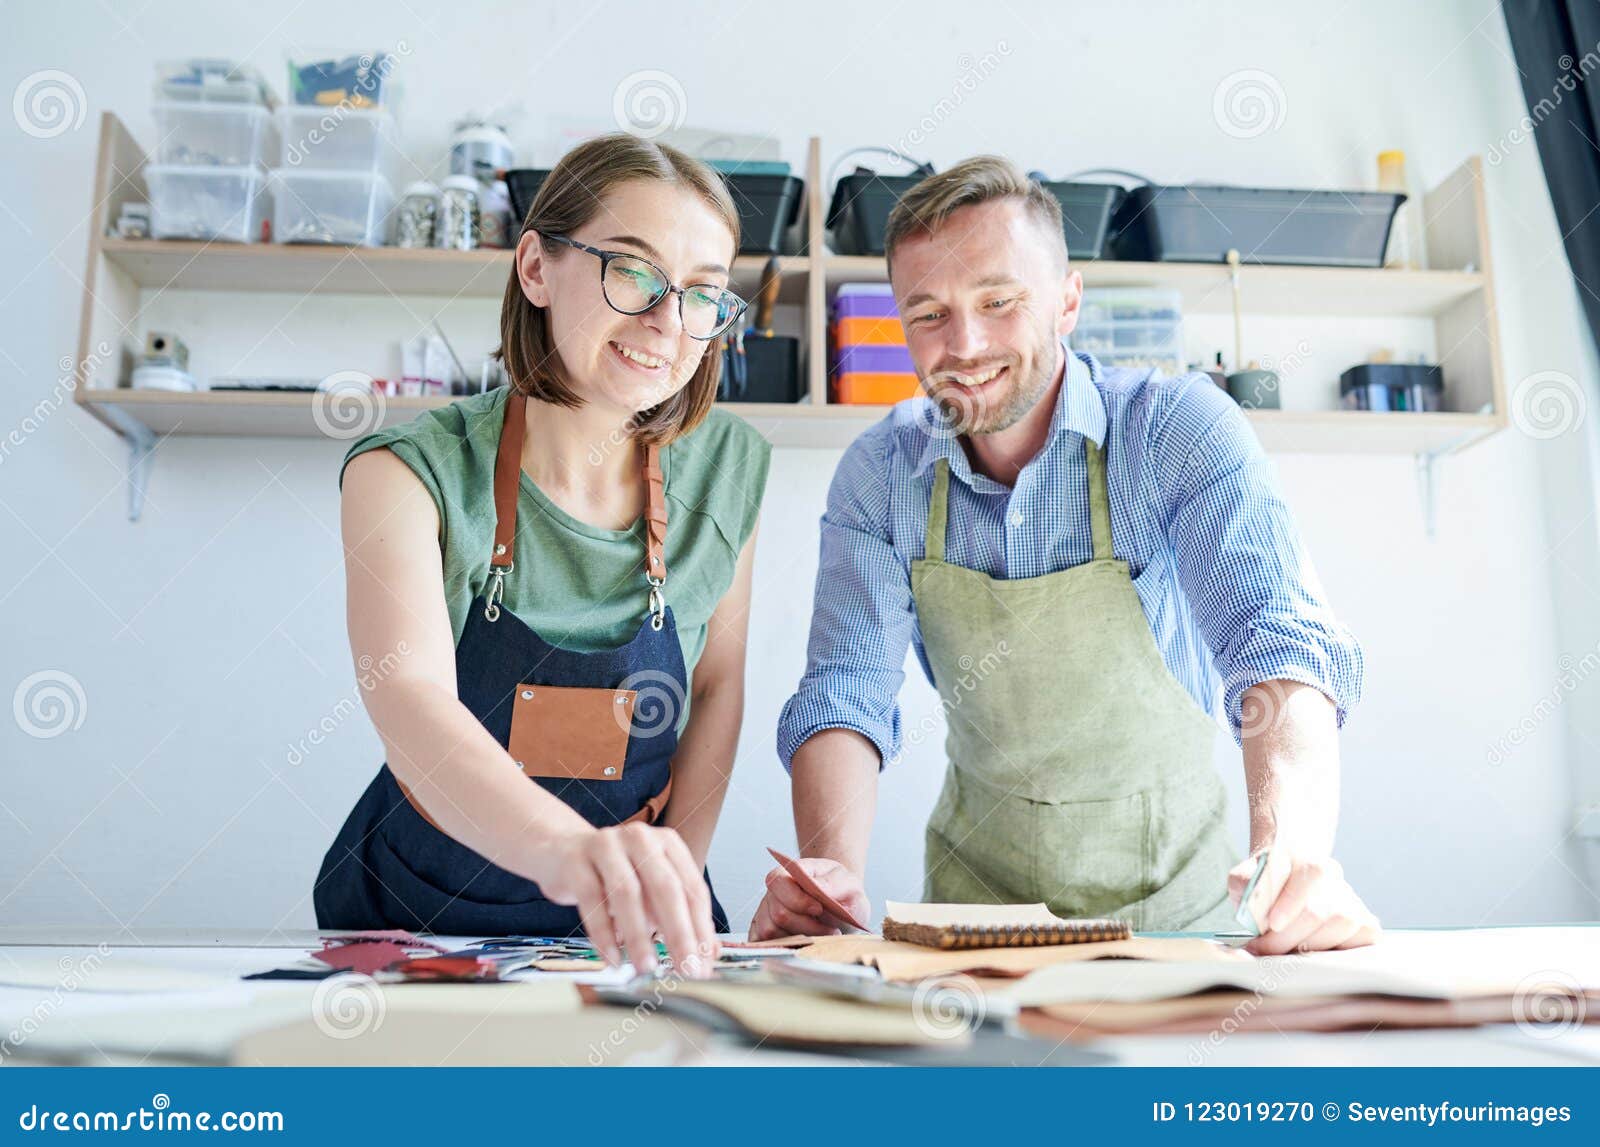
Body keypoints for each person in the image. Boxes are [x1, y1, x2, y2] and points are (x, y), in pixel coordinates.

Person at [756, 156, 1379, 955]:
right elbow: (845, 692)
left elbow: (1279, 642)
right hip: (971, 929)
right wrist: (829, 874)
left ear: (1067, 301)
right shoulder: (880, 475)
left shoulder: (1176, 430)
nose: (965, 343)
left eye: (999, 301)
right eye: (929, 313)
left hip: (1178, 922)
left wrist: (1291, 852)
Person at [315, 134, 770, 977]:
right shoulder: (403, 473)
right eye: (631, 271)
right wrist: (572, 854)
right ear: (535, 268)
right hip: (424, 917)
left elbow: (716, 685)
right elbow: (410, 703)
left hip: (636, 927)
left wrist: (672, 873)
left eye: (703, 294)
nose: (668, 324)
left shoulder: (729, 470)